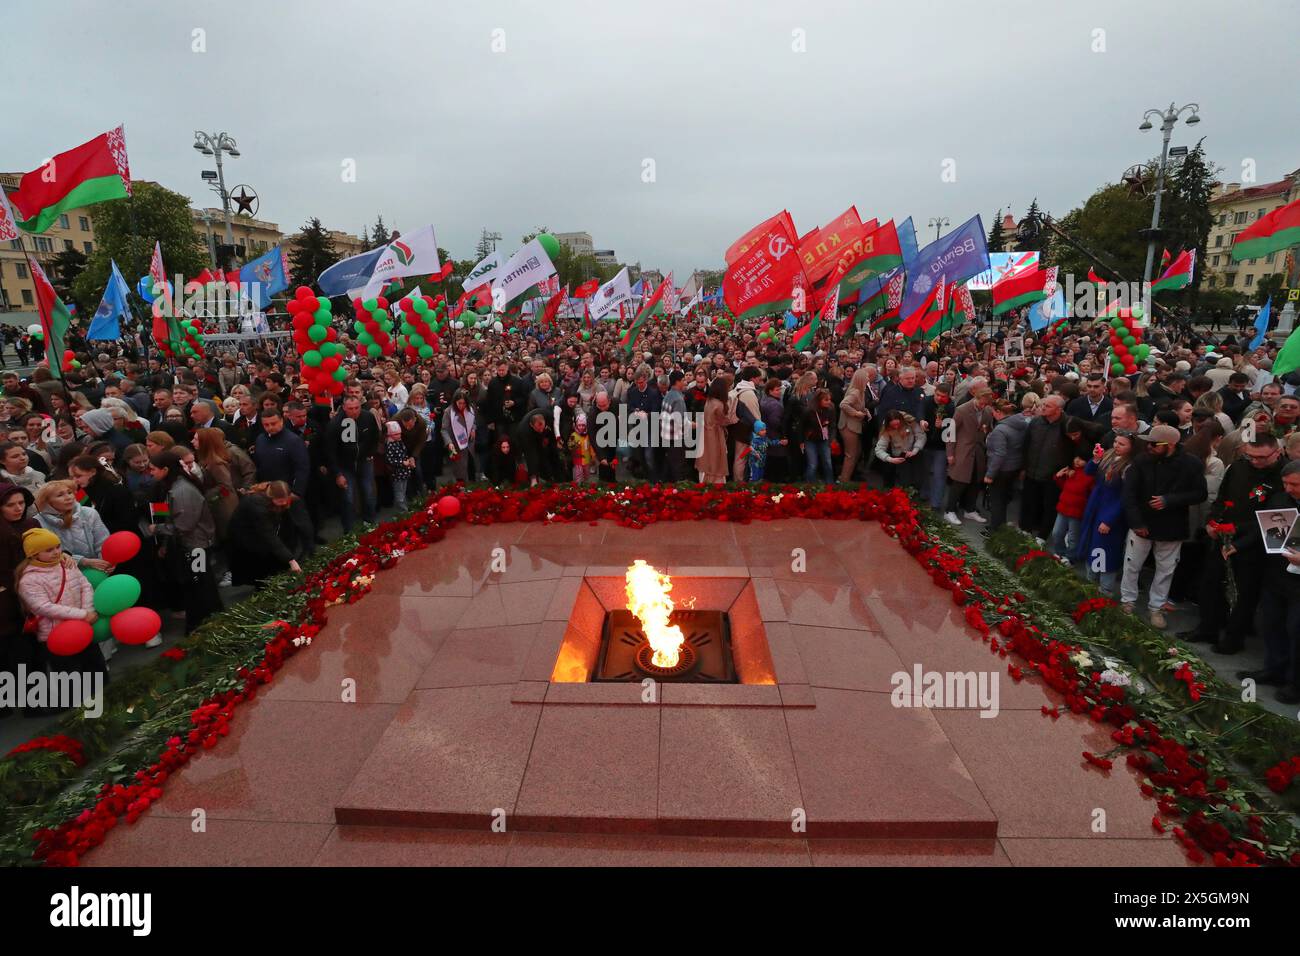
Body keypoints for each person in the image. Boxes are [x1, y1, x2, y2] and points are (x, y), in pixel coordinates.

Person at [1119, 424, 1208, 629]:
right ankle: (1127, 601)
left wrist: (1170, 500)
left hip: (1172, 525)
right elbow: (1129, 494)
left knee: (1166, 569)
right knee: (1132, 564)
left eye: (1154, 444)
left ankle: (1156, 608)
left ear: (1170, 444)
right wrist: (1136, 522)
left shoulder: (1191, 464)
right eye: (1148, 443)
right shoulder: (1142, 460)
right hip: (1142, 523)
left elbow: (1200, 494)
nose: (1148, 447)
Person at [15, 527, 105, 686]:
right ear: (34, 554)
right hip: (56, 635)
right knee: (70, 679)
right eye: (49, 550)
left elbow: (85, 585)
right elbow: (43, 607)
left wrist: (88, 610)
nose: (56, 552)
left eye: (58, 546)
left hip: (83, 627)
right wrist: (82, 614)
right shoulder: (29, 580)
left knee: (97, 672)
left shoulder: (67, 564)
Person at [148, 450, 221, 634]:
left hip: (197, 546)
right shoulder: (167, 486)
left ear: (165, 469)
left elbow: (184, 525)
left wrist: (156, 529)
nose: (150, 472)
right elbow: (166, 516)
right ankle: (204, 621)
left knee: (200, 583)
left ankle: (209, 622)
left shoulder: (182, 491)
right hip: (186, 544)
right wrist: (164, 542)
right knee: (195, 584)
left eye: (153, 469)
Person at [1247, 460, 1300, 704]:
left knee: (1296, 630)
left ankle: (1295, 683)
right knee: (1272, 623)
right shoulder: (1280, 499)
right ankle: (1274, 669)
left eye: (1295, 484)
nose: (1289, 489)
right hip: (1278, 574)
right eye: (1286, 483)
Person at [1076, 433, 1135, 596]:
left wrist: (1109, 520)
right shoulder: (1108, 455)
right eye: (1116, 442)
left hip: (1111, 513)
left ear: (1131, 447)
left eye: (1122, 444)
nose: (1116, 446)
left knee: (1105, 551)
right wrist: (1095, 459)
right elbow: (1089, 472)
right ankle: (1090, 583)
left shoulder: (1130, 466)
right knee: (1092, 545)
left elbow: (1124, 497)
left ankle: (1105, 590)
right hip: (1096, 506)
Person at [227, 482, 313, 586]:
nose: (284, 503)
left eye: (286, 500)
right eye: (281, 501)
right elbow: (269, 535)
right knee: (260, 570)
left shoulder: (272, 496)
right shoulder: (256, 504)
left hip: (257, 534)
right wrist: (291, 560)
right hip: (245, 537)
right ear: (272, 497)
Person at [0, 483, 38, 718]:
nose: (18, 508)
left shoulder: (31, 524)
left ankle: (31, 701)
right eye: (10, 505)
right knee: (6, 650)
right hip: (5, 601)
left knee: (26, 651)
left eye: (21, 503)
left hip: (29, 594)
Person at [324, 396, 380, 531]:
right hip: (344, 465)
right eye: (350, 409)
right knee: (347, 498)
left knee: (369, 492)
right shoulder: (335, 424)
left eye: (357, 408)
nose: (354, 411)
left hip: (364, 461)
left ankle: (370, 522)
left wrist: (371, 453)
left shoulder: (368, 417)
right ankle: (349, 529)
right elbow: (330, 452)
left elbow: (375, 436)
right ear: (344, 408)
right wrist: (337, 474)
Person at [943, 386, 993, 526]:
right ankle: (949, 511)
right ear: (975, 398)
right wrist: (950, 454)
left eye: (985, 404)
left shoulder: (988, 411)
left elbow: (988, 431)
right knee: (959, 482)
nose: (982, 406)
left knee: (976, 482)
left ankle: (969, 509)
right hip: (962, 451)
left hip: (979, 452)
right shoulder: (962, 410)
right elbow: (950, 433)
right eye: (981, 403)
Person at [439, 390, 476, 484]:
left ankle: (473, 486)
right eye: (459, 403)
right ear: (455, 402)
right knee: (460, 468)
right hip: (456, 443)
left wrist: (473, 429)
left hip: (469, 442)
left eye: (464, 403)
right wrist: (449, 442)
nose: (462, 406)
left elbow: (474, 422)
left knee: (471, 466)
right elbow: (444, 429)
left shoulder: (470, 409)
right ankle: (461, 486)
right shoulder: (448, 412)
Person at [799, 389, 835, 485]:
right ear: (819, 400)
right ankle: (810, 484)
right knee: (813, 464)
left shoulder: (831, 409)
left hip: (824, 439)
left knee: (827, 462)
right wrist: (801, 441)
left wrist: (831, 439)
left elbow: (832, 425)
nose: (829, 402)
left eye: (829, 400)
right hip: (810, 440)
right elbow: (801, 426)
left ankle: (830, 484)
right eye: (826, 400)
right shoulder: (809, 411)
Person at [384, 420, 414, 510]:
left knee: (403, 490)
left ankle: (404, 506)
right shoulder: (390, 445)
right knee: (399, 491)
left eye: (399, 434)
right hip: (397, 473)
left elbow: (404, 453)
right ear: (390, 435)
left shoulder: (399, 442)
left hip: (404, 471)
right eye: (396, 434)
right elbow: (390, 460)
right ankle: (403, 509)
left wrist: (409, 460)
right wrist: (401, 463)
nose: (399, 436)